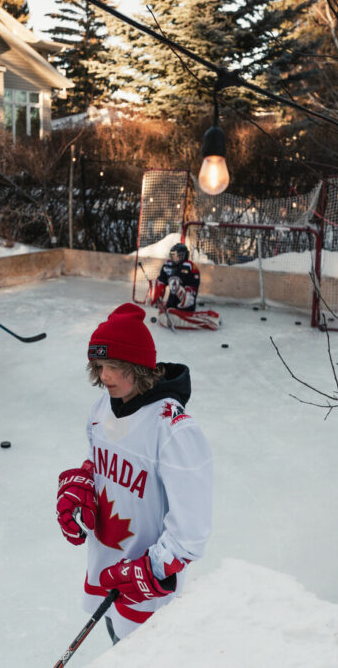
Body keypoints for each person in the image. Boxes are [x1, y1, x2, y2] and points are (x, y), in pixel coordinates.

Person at [56, 303, 212, 643]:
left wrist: (151, 569)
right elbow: (96, 461)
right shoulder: (102, 407)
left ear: (139, 366)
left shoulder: (172, 428)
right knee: (116, 642)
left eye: (114, 366)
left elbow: (192, 531)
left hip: (145, 588)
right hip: (107, 566)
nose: (105, 376)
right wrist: (83, 484)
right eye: (99, 366)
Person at [149, 242, 201, 311]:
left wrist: (186, 300)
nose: (174, 258)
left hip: (186, 305)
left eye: (176, 256)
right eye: (173, 255)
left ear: (183, 256)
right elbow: (161, 281)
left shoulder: (189, 266)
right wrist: (158, 297)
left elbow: (193, 286)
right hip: (171, 302)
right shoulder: (168, 265)